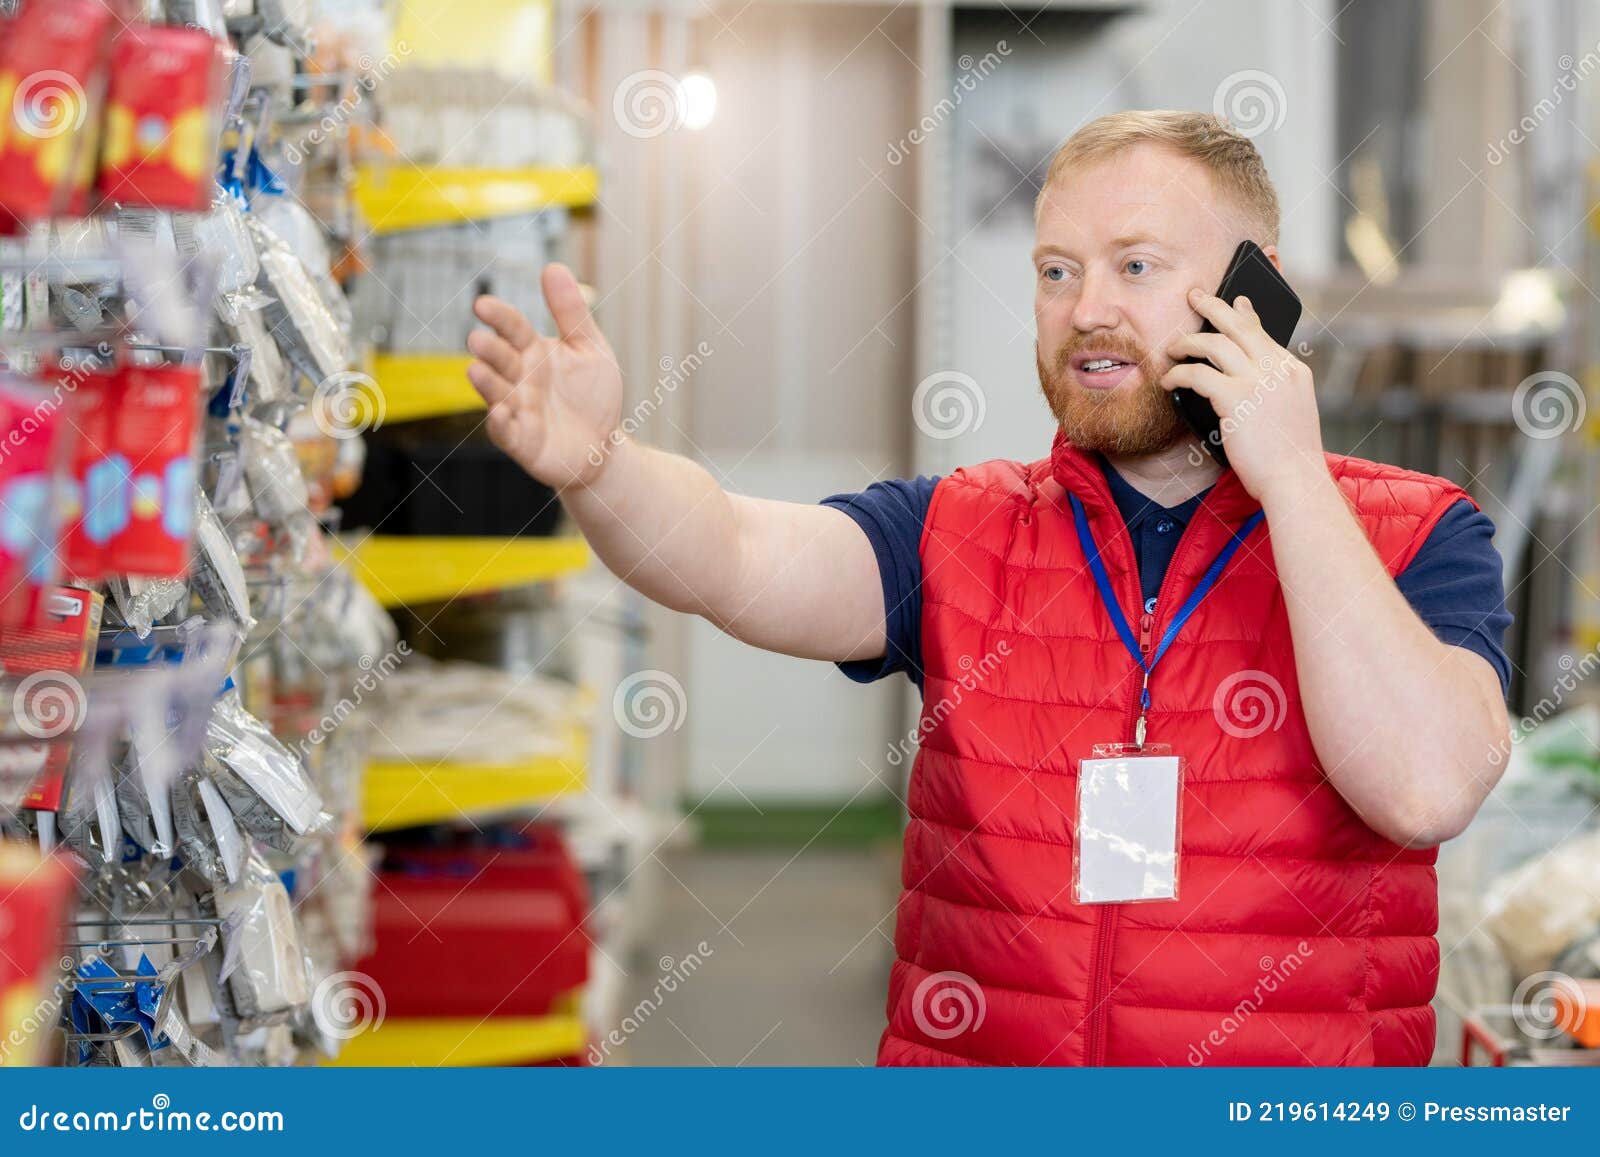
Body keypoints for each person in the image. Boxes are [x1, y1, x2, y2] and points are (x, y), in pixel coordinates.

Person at [463, 109, 1512, 1066]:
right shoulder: (963, 527)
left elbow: (1423, 786)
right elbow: (729, 556)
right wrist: (601, 462)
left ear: (1256, 288)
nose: (1085, 309)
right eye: (1057, 271)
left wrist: (1287, 475)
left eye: (1133, 265)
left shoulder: (1414, 533)